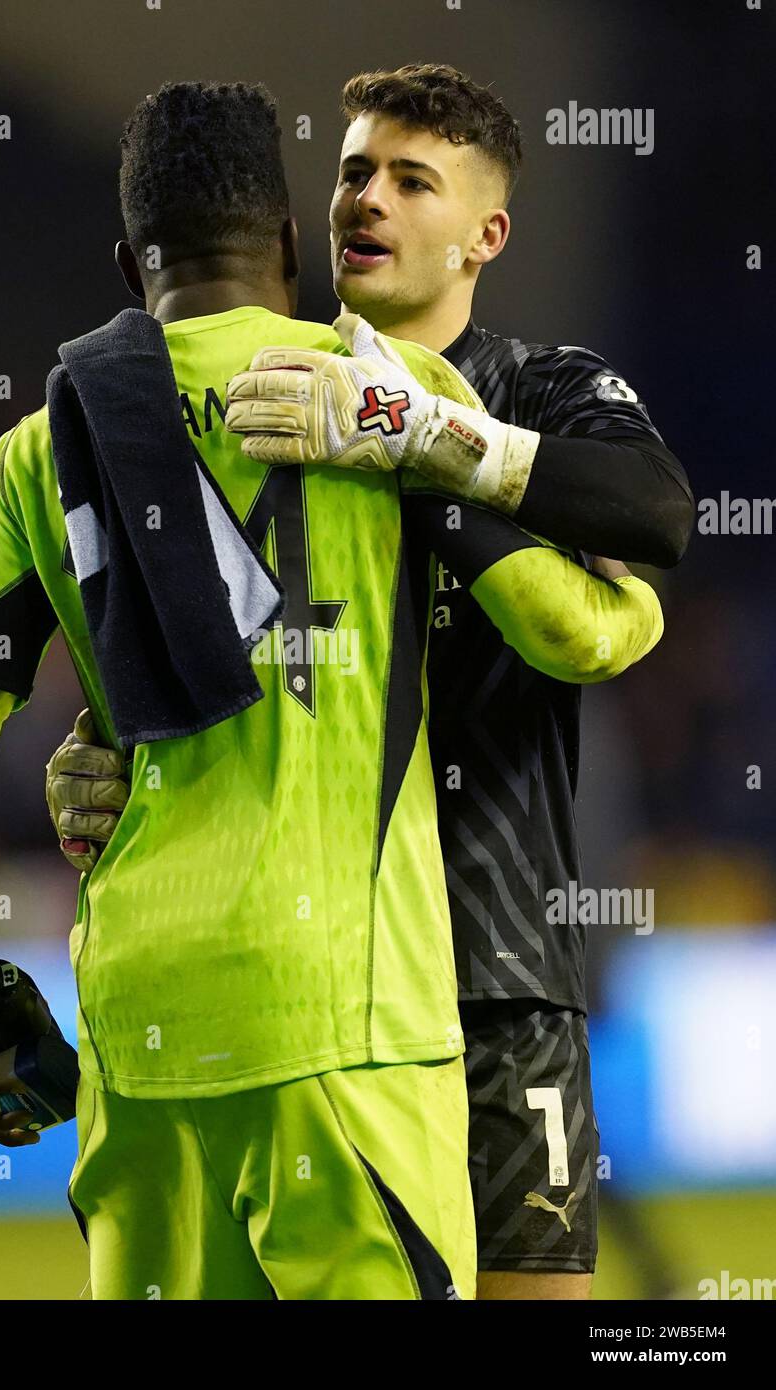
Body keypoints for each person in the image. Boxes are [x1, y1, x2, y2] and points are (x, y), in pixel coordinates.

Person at [46, 65, 690, 1300]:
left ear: (484, 235)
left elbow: (656, 510)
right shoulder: (249, 399)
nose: (367, 199)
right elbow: (183, 640)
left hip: (494, 970)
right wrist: (111, 749)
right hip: (316, 994)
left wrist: (423, 435)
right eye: (352, 171)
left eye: (410, 179)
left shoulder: (533, 386)